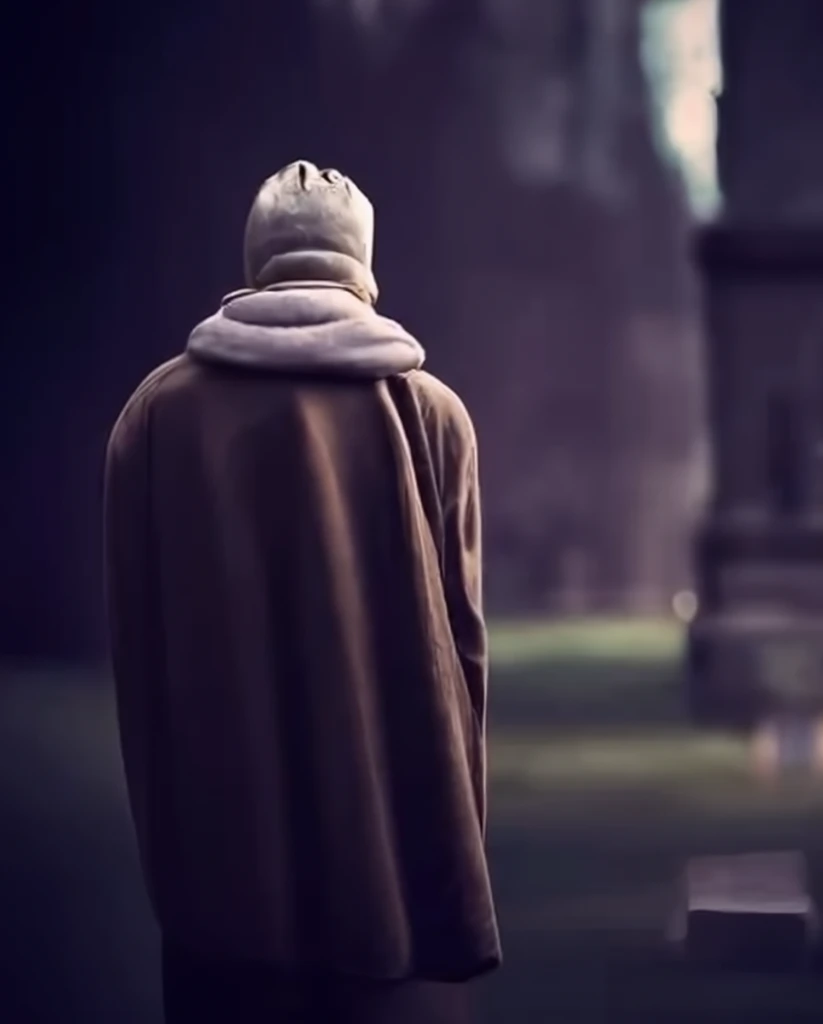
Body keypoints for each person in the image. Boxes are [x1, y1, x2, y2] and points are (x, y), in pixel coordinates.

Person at [104, 160, 500, 1023]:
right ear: (361, 264)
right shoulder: (432, 416)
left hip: (220, 893)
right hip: (399, 889)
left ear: (256, 263)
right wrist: (452, 867)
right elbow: (462, 663)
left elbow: (139, 667)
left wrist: (176, 868)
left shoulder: (156, 417)